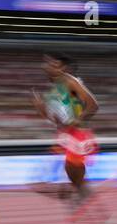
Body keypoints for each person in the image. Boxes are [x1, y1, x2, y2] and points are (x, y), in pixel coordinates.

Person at [33, 52, 100, 209]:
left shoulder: (71, 82)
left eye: (53, 64)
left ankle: (102, 219)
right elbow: (54, 121)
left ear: (63, 68)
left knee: (76, 184)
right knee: (76, 185)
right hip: (66, 137)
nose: (48, 66)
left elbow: (93, 104)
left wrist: (77, 120)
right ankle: (88, 211)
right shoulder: (53, 92)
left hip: (78, 136)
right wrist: (41, 109)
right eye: (47, 63)